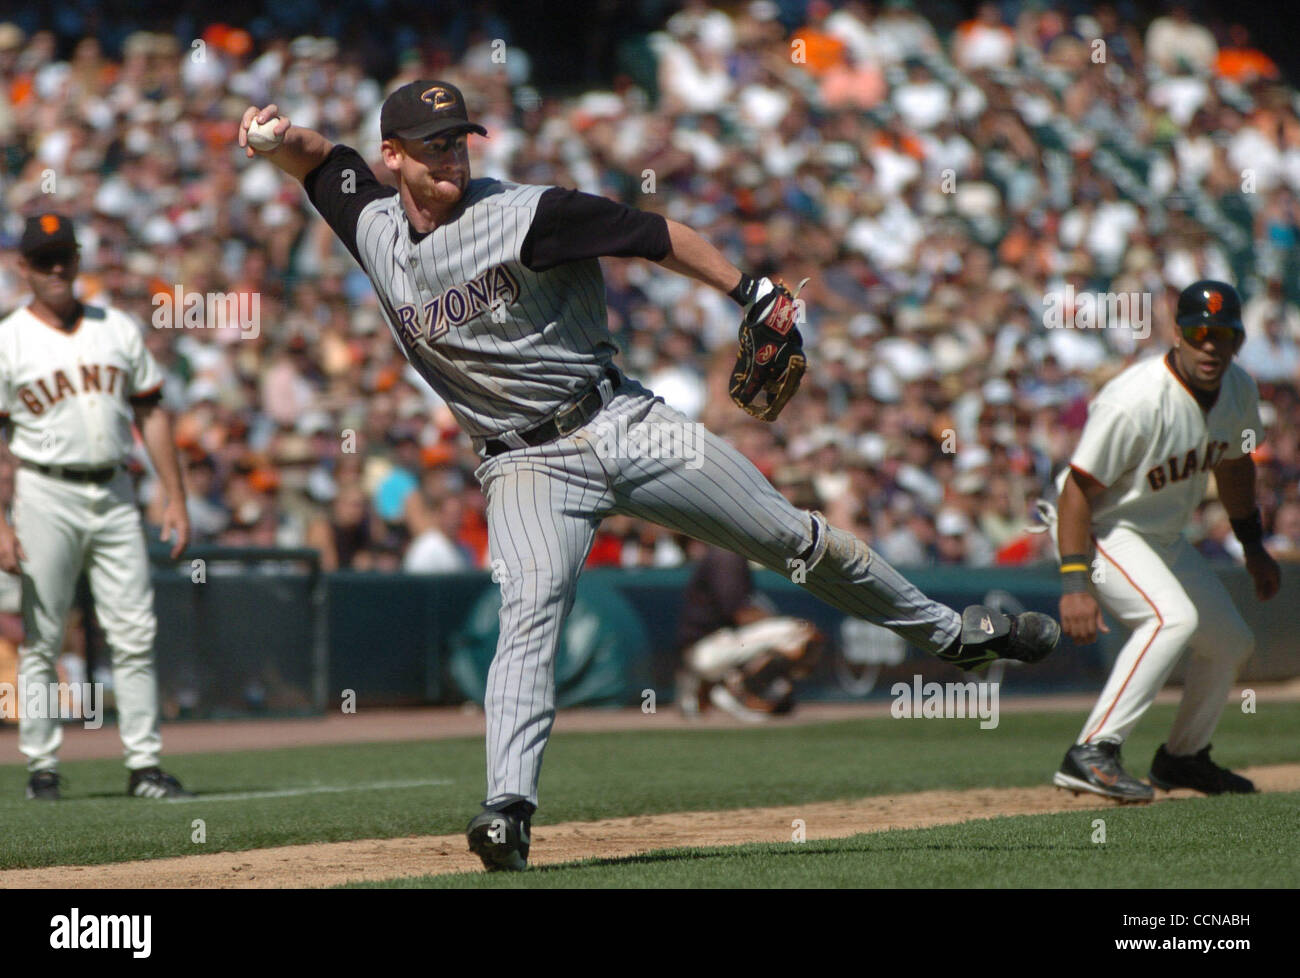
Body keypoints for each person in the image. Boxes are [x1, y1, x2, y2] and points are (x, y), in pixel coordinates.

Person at [237, 81, 1059, 871]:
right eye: (431, 146)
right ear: (394, 158)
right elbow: (318, 160)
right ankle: (508, 812)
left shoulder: (529, 214)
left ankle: (953, 638)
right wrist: (272, 138)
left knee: (790, 537)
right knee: (528, 610)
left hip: (623, 422)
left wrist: (751, 291)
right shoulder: (372, 223)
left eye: (459, 140)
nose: (451, 156)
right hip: (524, 462)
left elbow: (652, 235)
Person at [1043, 281, 1280, 803]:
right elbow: (1078, 491)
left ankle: (1183, 758)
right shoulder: (1136, 399)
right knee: (1173, 619)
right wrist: (1074, 582)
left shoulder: (1238, 389)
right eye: (1199, 333)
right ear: (1177, 334)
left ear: (1239, 340)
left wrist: (1254, 546)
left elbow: (1235, 465)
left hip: (1161, 537)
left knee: (1231, 641)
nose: (1211, 346)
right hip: (1105, 529)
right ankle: (1091, 752)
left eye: (1225, 335)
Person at [0, 214, 194, 800]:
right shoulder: (8, 337)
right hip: (42, 489)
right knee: (42, 634)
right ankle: (41, 767)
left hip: (115, 490)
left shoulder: (116, 328)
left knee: (133, 630)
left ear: (78, 259)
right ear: (23, 267)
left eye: (64, 255)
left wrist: (175, 496)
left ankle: (144, 765)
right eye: (43, 258)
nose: (56, 268)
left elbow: (152, 411)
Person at [674, 544, 821, 722]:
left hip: (712, 647)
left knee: (784, 642)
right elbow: (740, 614)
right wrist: (774, 621)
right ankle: (736, 690)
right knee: (801, 632)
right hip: (707, 649)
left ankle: (716, 686)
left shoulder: (725, 553)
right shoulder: (726, 554)